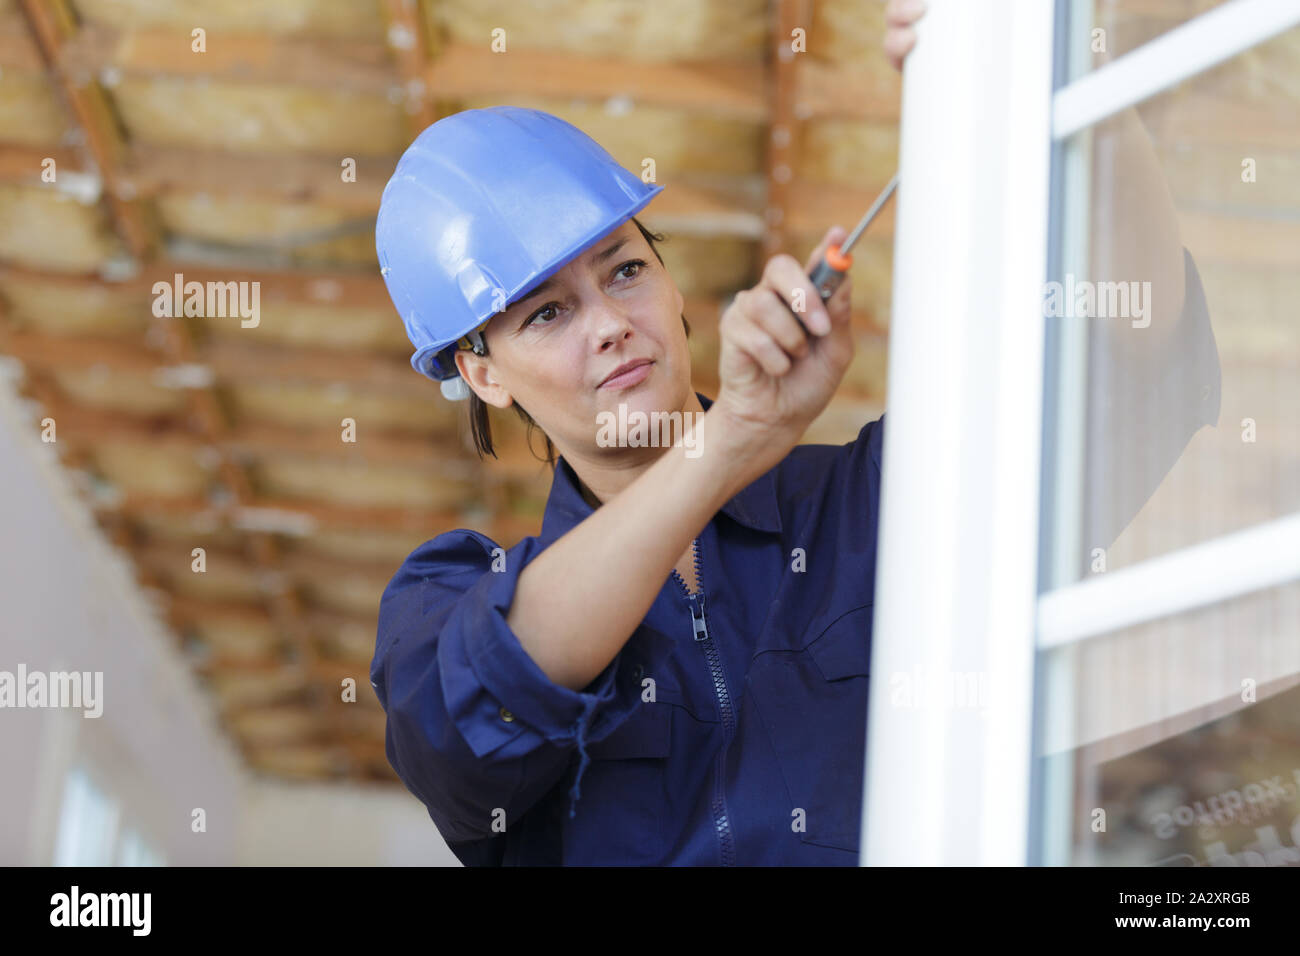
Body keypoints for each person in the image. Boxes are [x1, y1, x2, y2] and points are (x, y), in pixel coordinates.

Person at [370, 2, 1219, 865]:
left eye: (625, 270)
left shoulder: (868, 505)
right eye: (548, 313)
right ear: (483, 374)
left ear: (668, 285)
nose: (610, 325)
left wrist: (1055, 66)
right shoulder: (441, 599)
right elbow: (490, 694)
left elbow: (1130, 360)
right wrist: (734, 435)